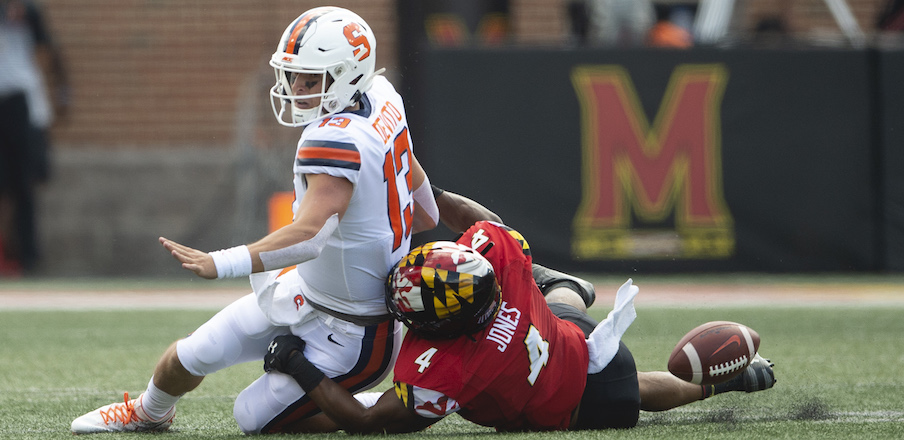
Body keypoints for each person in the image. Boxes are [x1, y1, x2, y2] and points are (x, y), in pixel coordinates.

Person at [70, 6, 477, 435]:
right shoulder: (381, 97)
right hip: (307, 290)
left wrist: (222, 262)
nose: (295, 88)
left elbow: (310, 235)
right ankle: (150, 412)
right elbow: (418, 193)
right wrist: (423, 211)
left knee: (253, 417)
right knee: (193, 352)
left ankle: (379, 407)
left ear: (348, 74)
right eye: (294, 75)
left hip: (355, 333)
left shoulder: (335, 137)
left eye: (310, 79)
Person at [263, 220, 776, 432]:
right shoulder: (490, 270)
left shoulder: (448, 367)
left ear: (446, 325)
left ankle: (718, 383)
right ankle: (562, 282)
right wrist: (433, 195)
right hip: (571, 339)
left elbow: (361, 419)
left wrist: (297, 365)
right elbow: (487, 223)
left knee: (634, 389)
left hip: (581, 399)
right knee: (551, 297)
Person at [0, 0, 69, 276]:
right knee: (5, 187)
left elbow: (50, 49)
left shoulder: (28, 13)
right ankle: (10, 252)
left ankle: (25, 256)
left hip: (21, 105)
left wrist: (64, 91)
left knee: (24, 185)